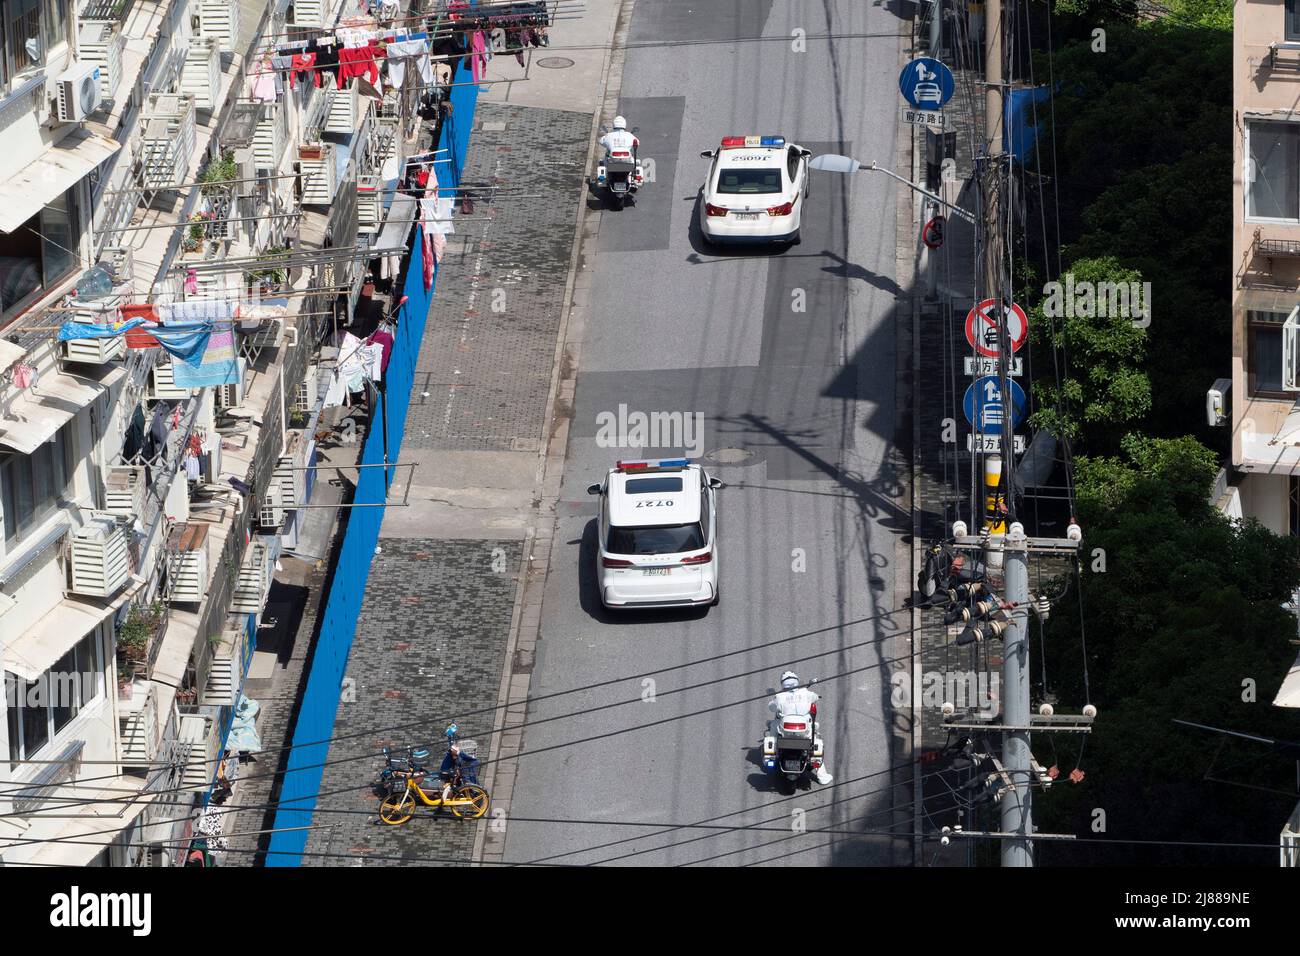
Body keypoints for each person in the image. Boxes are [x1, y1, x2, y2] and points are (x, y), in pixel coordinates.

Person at [769, 671, 833, 784]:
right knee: (815, 740)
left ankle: (773, 752)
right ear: (797, 681)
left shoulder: (779, 696)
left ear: (783, 684)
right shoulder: (806, 693)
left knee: (773, 725)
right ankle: (822, 776)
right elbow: (815, 697)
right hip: (804, 731)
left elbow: (772, 708)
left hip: (785, 732)